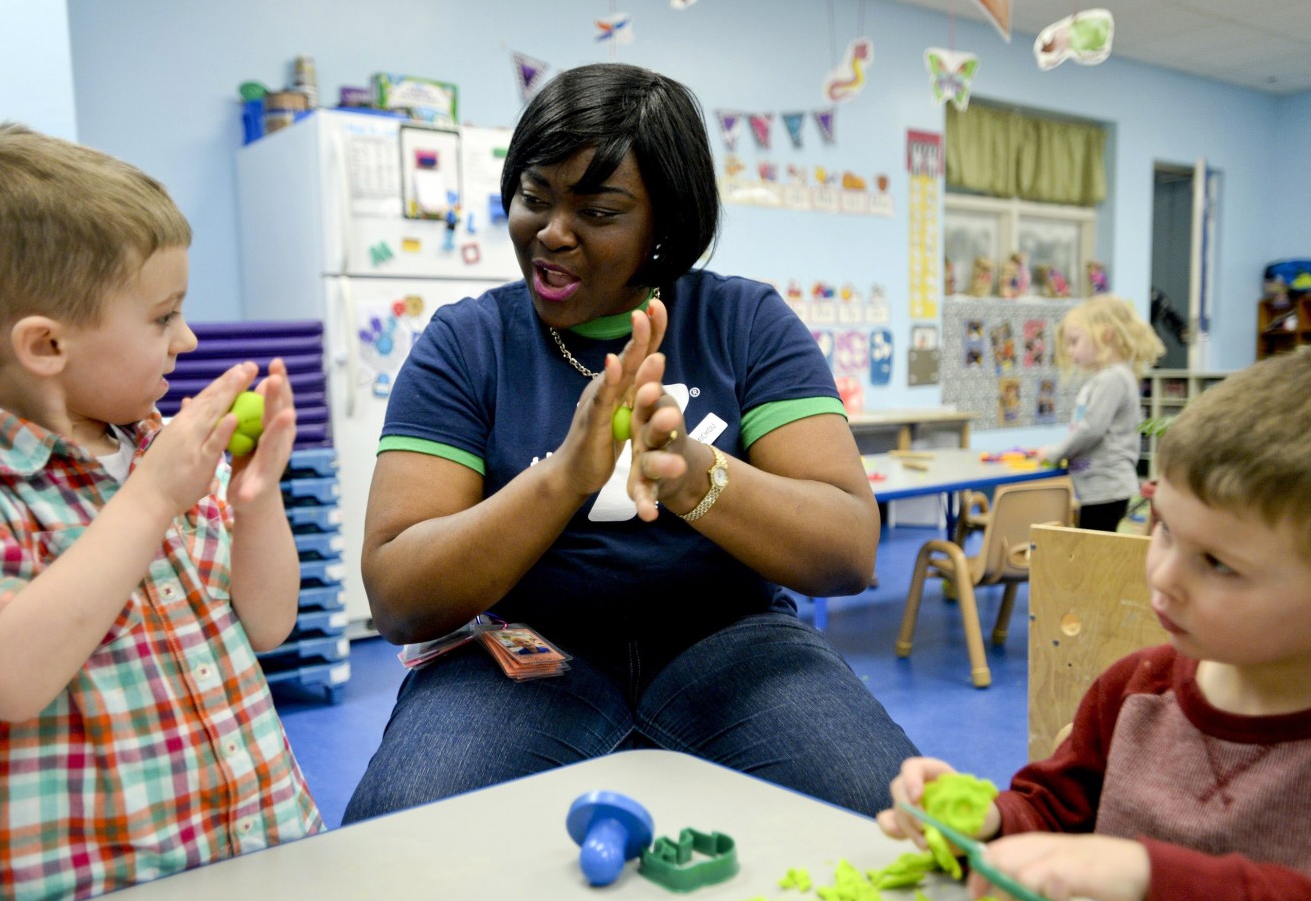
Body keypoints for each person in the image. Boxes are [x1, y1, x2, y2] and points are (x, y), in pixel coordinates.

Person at [343, 62, 918, 824]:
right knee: (395, 838)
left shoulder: (745, 324)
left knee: (895, 825)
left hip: (734, 644)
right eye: (532, 197)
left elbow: (848, 549)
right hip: (528, 655)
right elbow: (398, 597)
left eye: (598, 209)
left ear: (665, 227)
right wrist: (563, 478)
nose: (551, 231)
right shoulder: (467, 342)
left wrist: (696, 476)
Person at [0, 122, 323, 901]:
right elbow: (11, 680)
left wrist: (257, 495)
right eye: (163, 316)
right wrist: (151, 499)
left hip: (265, 867)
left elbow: (268, 625)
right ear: (47, 344)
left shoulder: (157, 449)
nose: (189, 339)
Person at [878, 342, 1311, 901]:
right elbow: (1049, 809)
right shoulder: (1136, 688)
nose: (1163, 577)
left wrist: (1145, 875)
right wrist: (980, 820)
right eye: (1163, 530)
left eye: (1219, 564)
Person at [1040, 294, 1165, 532]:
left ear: (1106, 336)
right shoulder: (1106, 378)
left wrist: (1054, 453)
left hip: (1107, 489)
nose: (1070, 351)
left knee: (1094, 556)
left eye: (1075, 341)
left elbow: (1091, 429)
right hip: (1097, 489)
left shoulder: (1113, 379)